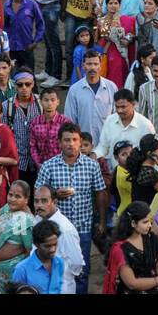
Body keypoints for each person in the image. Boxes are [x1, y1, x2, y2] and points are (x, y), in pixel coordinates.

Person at [36, 122, 107, 294]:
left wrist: (102, 222)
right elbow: (38, 194)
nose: (71, 144)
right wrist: (55, 194)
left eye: (75, 140)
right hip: (55, 230)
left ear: (80, 141)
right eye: (66, 140)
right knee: (55, 270)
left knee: (82, 271)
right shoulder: (49, 166)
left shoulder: (91, 165)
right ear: (59, 142)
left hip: (83, 227)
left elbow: (100, 193)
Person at [103, 200, 158, 294]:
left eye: (150, 221)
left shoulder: (151, 238)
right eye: (145, 222)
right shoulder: (120, 249)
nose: (150, 225)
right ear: (133, 223)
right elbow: (131, 283)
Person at [0, 179, 35, 293]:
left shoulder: (24, 220)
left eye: (18, 196)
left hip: (12, 272)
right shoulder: (7, 208)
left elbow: (29, 249)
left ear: (26, 200)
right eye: (10, 194)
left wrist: (25, 272)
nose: (12, 199)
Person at [11, 220, 67, 293]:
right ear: (36, 244)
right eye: (47, 246)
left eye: (55, 244)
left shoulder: (59, 263)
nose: (53, 250)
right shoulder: (21, 269)